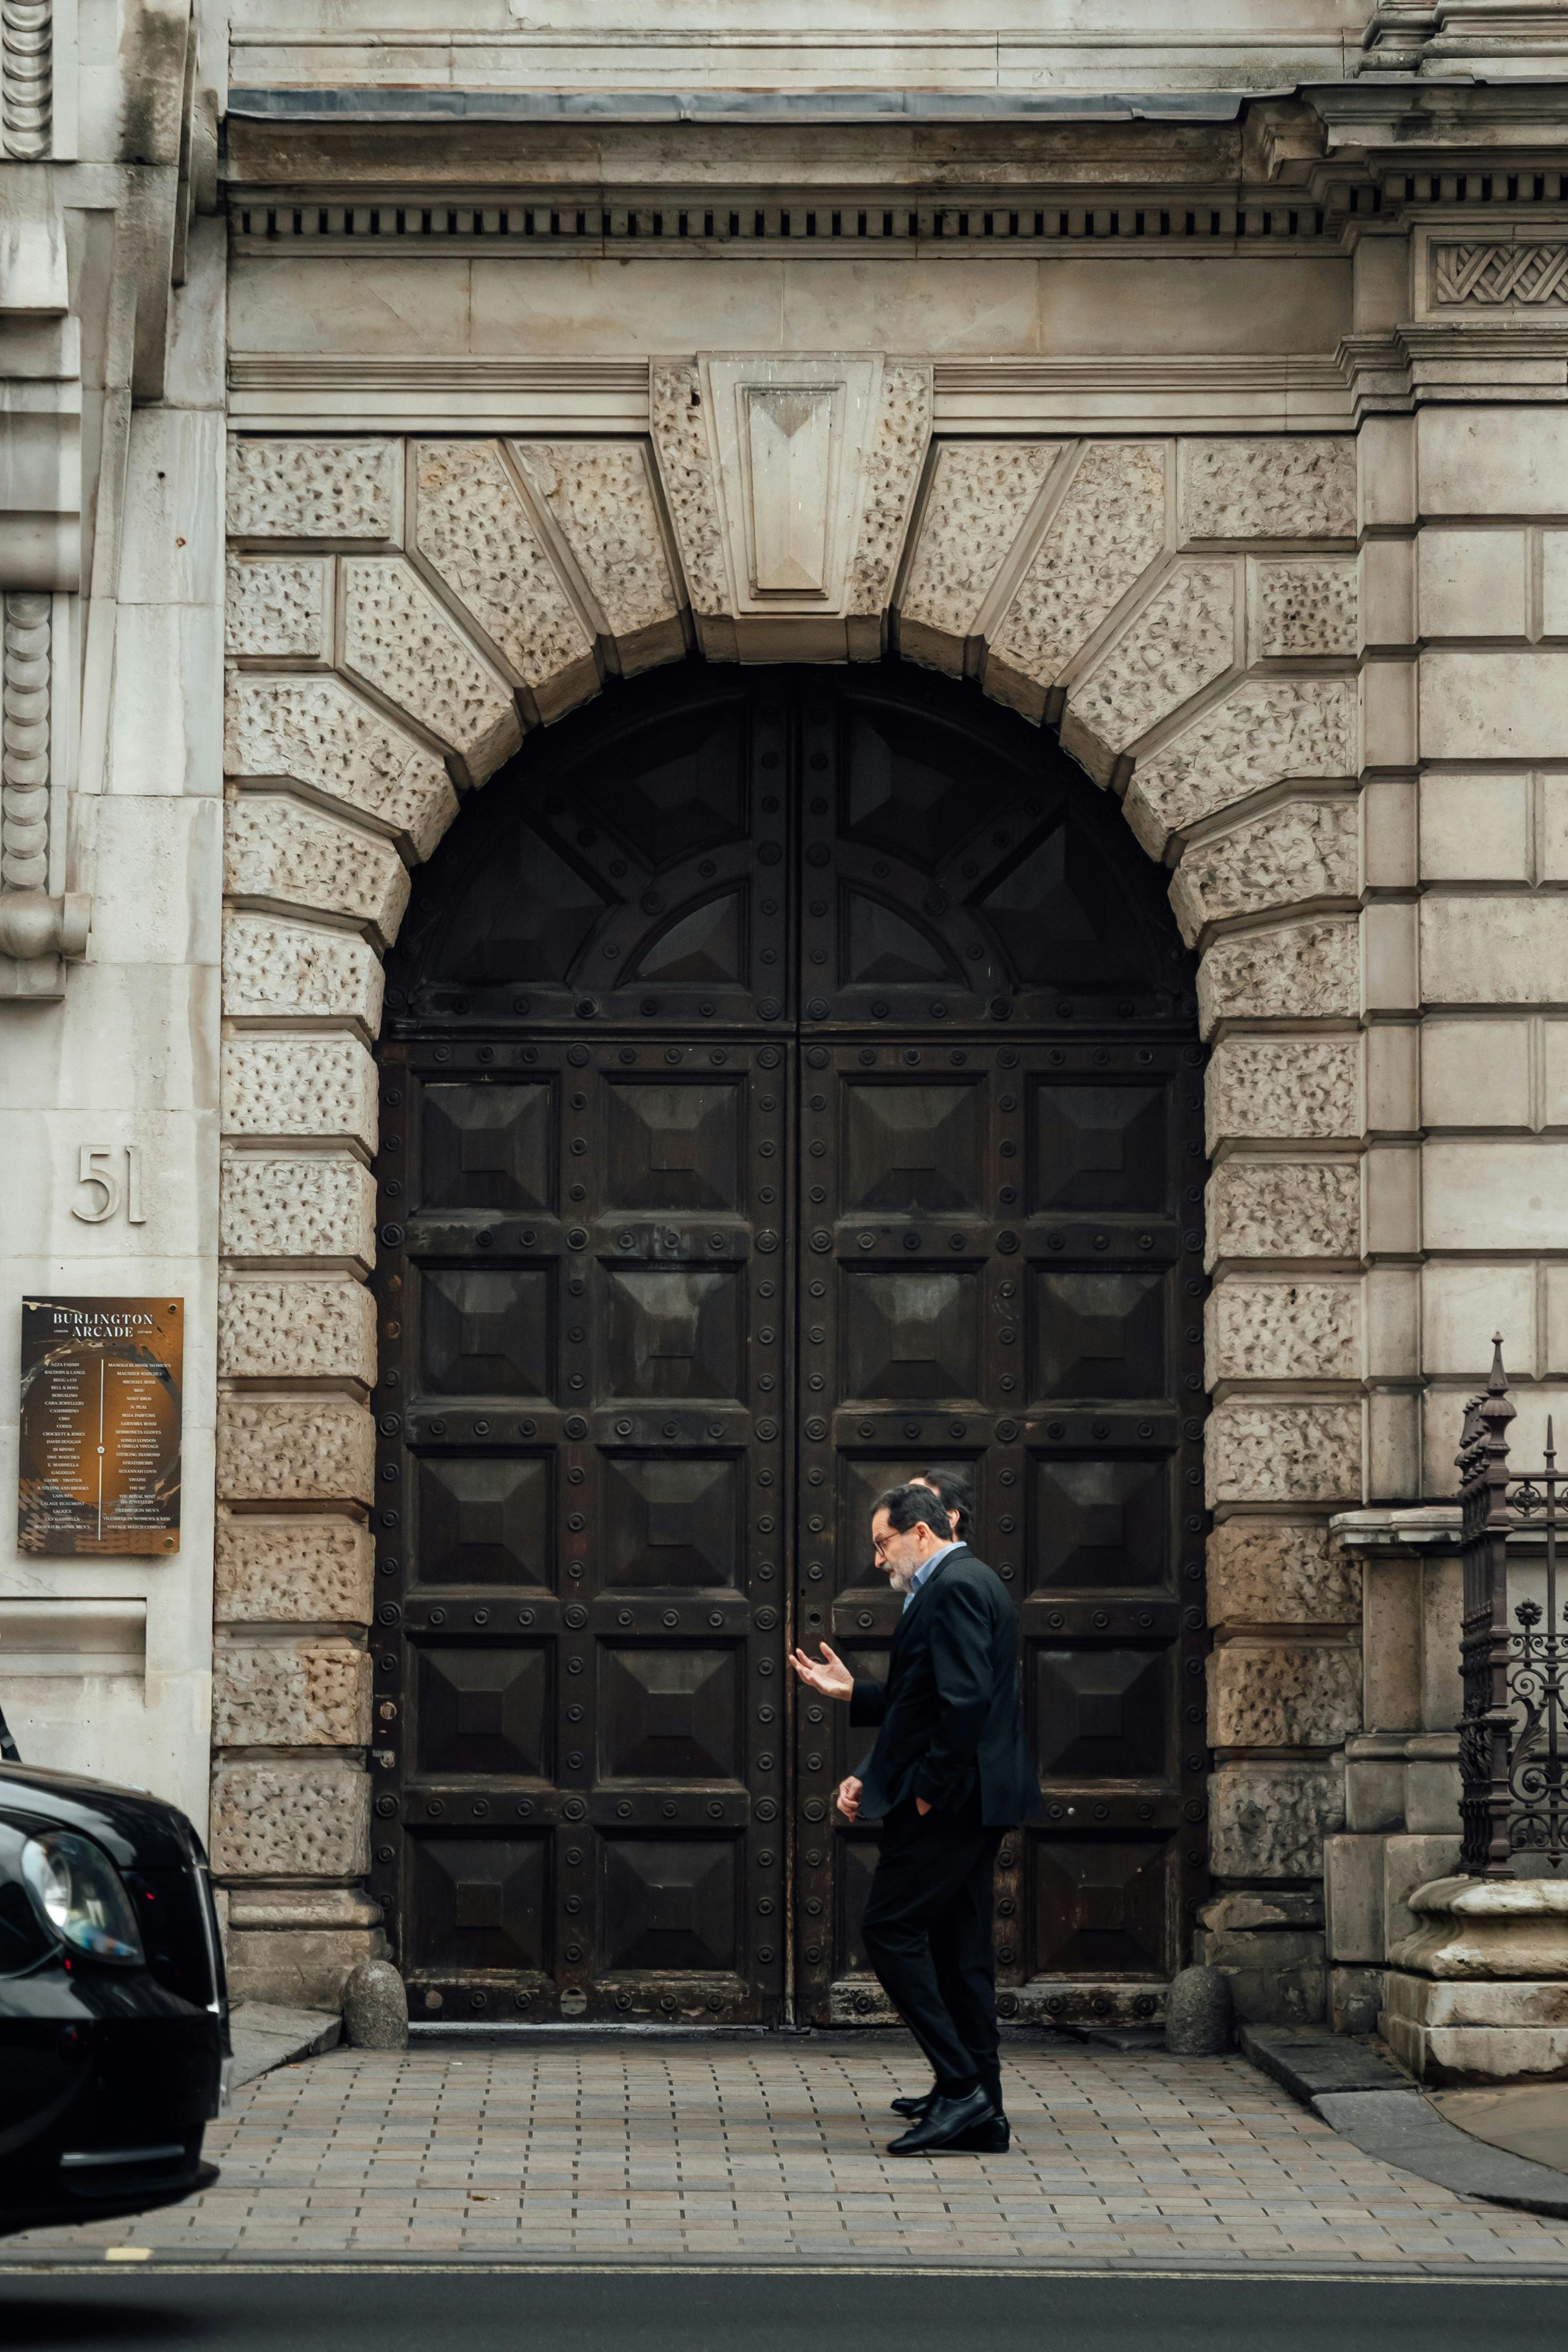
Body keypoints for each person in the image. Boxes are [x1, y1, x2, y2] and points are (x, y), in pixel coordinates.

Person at [789, 1481, 1039, 2156]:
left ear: (922, 1531)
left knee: (889, 1928)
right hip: (970, 1795)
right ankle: (979, 2109)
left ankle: (963, 2089)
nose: (879, 1558)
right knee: (961, 1950)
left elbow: (961, 1706)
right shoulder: (963, 1579)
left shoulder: (953, 1585)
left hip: (953, 1801)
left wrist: (924, 1793)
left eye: (882, 1541)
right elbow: (923, 1697)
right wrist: (856, 1705)